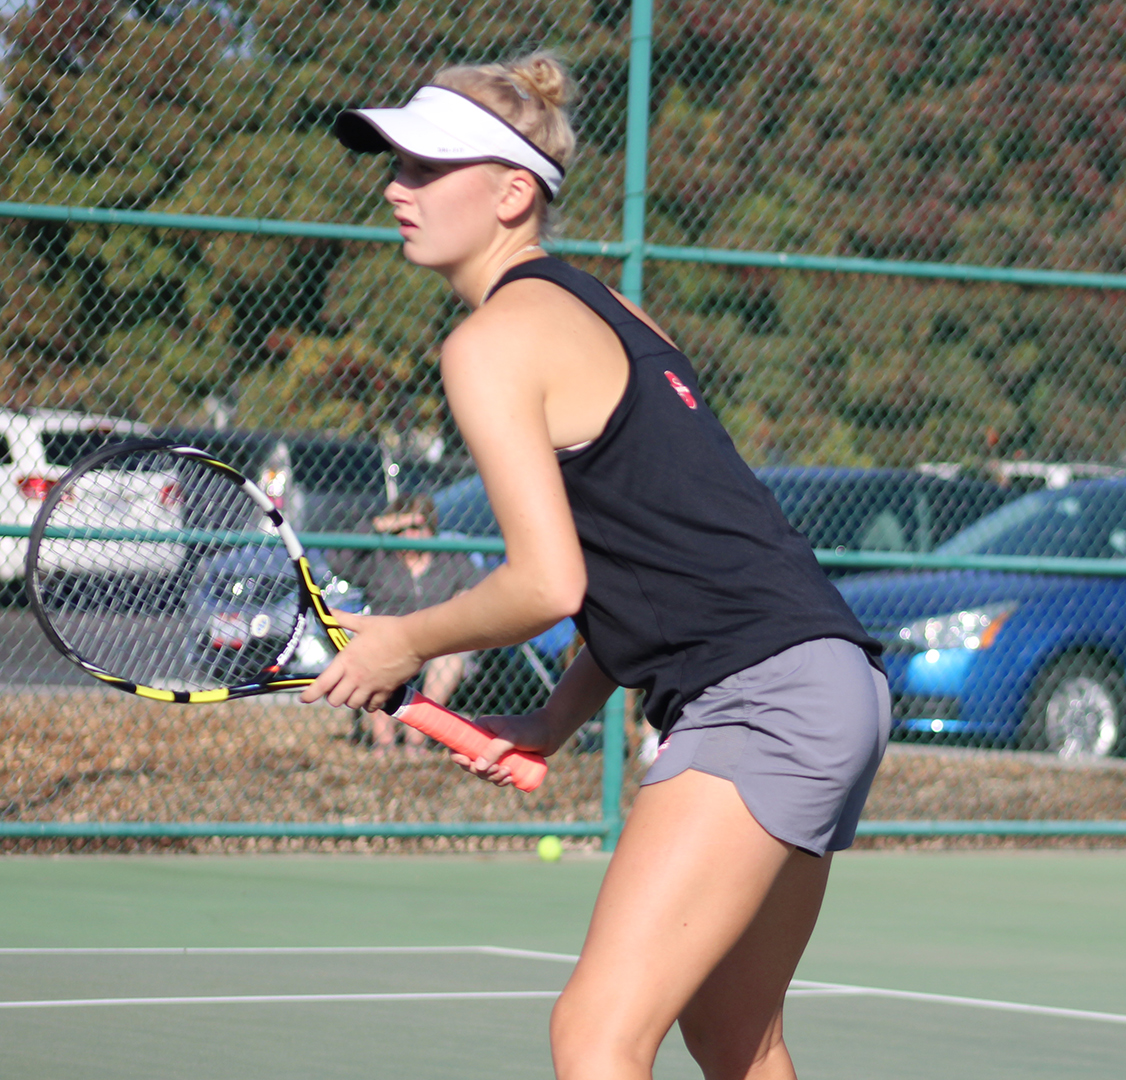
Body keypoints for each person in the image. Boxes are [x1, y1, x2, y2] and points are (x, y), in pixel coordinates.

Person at [308, 52, 890, 1079]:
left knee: (596, 1037)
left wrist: (403, 636)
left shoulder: (490, 346)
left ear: (511, 192)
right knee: (734, 1038)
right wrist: (549, 721)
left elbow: (547, 585)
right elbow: (649, 560)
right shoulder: (616, 311)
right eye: (393, 164)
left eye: (426, 167)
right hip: (830, 677)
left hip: (761, 697)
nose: (396, 188)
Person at [329, 494, 484, 753]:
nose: (410, 536)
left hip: (437, 642)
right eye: (401, 529)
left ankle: (417, 736)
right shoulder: (380, 559)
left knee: (451, 659)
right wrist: (380, 524)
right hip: (389, 639)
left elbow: (481, 588)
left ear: (431, 530)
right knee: (369, 654)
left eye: (417, 528)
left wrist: (465, 598)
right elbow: (337, 560)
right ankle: (384, 742)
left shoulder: (450, 559)